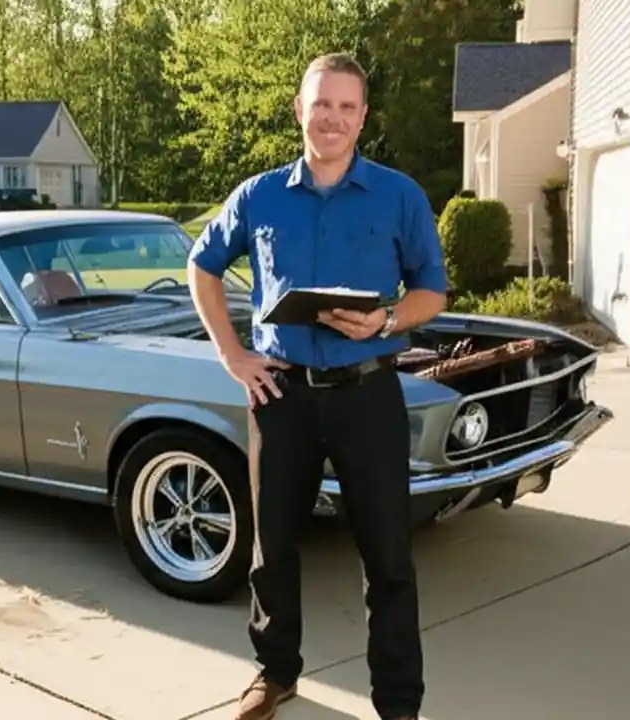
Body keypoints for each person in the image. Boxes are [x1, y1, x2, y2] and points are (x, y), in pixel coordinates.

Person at [186, 52, 449, 720]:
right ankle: (274, 675)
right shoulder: (260, 195)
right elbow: (203, 265)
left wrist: (387, 319)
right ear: (300, 110)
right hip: (283, 396)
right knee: (272, 546)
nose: (332, 117)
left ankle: (398, 703)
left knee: (388, 554)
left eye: (346, 106)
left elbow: (431, 291)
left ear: (362, 117)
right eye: (321, 104)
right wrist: (232, 356)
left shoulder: (399, 195)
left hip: (368, 395)